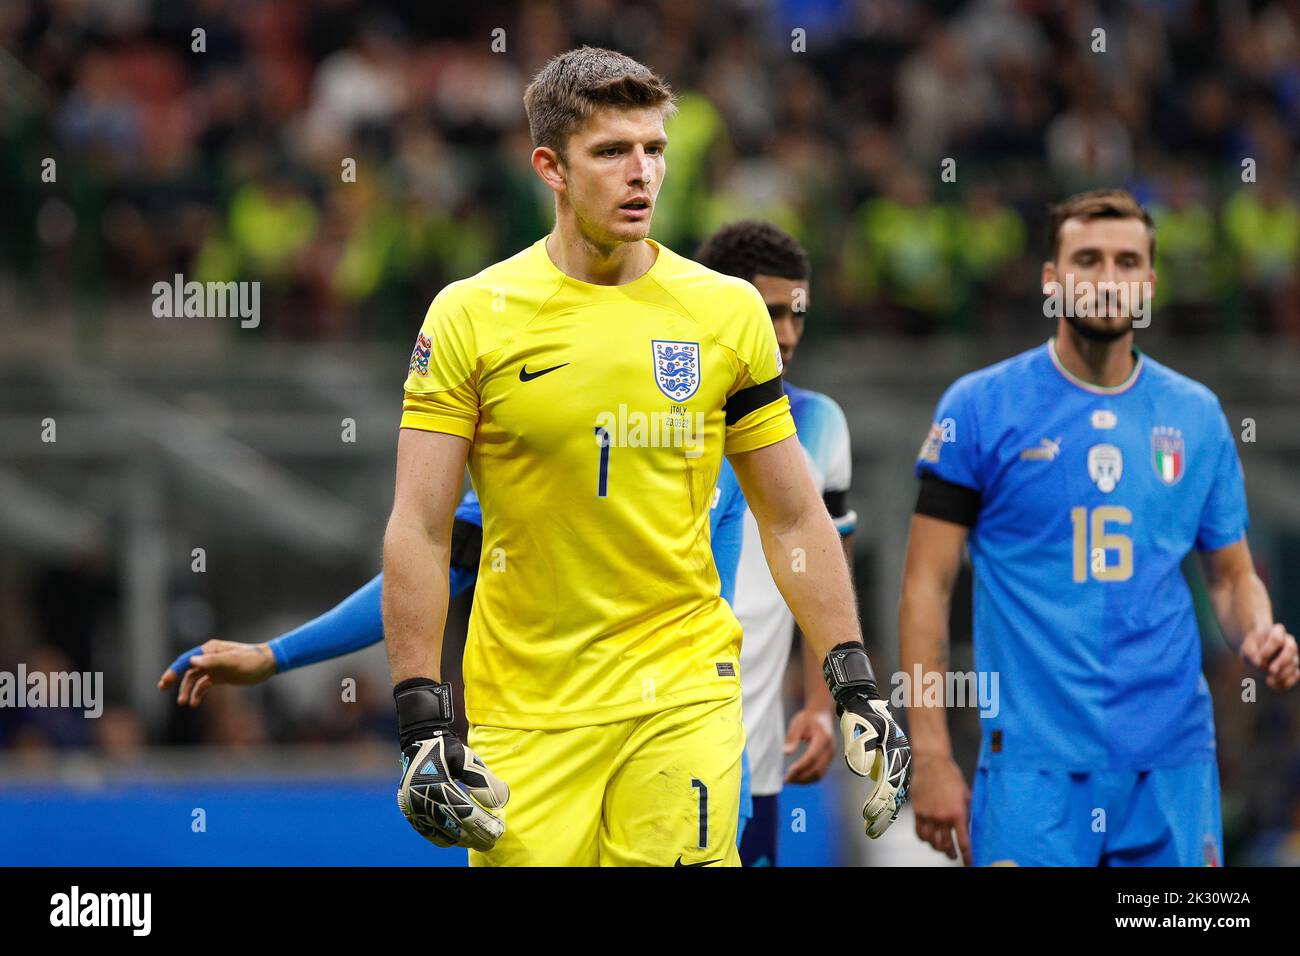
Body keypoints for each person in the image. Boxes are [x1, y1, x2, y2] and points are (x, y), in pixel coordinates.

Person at [381, 46, 907, 866]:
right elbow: (419, 526)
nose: (642, 174)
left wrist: (855, 683)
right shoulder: (469, 318)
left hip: (684, 693)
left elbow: (793, 513)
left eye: (654, 149)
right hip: (526, 713)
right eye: (611, 152)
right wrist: (420, 720)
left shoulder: (728, 314)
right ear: (550, 167)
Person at [900, 188, 1299, 866]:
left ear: (1148, 284)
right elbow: (924, 589)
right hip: (1032, 765)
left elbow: (1231, 579)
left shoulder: (1195, 415)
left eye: (1126, 263)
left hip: (1170, 758)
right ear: (1053, 281)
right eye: (1087, 260)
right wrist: (931, 754)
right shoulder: (979, 407)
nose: (1107, 279)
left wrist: (1257, 631)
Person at [694, 221, 852, 867]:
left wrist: (821, 705)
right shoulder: (657, 422)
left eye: (797, 314)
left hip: (758, 765)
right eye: (769, 314)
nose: (786, 335)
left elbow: (824, 578)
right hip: (655, 744)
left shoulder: (819, 424)